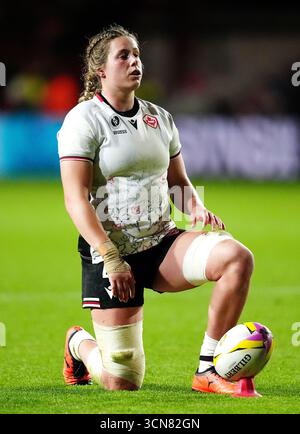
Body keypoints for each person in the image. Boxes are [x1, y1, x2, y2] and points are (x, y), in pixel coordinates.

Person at [57, 24, 254, 394]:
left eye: (137, 54)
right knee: (122, 382)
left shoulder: (160, 118)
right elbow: (75, 198)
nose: (135, 62)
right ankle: (78, 344)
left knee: (236, 257)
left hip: (161, 244)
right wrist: (111, 256)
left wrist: (194, 208)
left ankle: (209, 369)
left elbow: (178, 183)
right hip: (110, 254)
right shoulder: (83, 120)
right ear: (101, 70)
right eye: (124, 55)